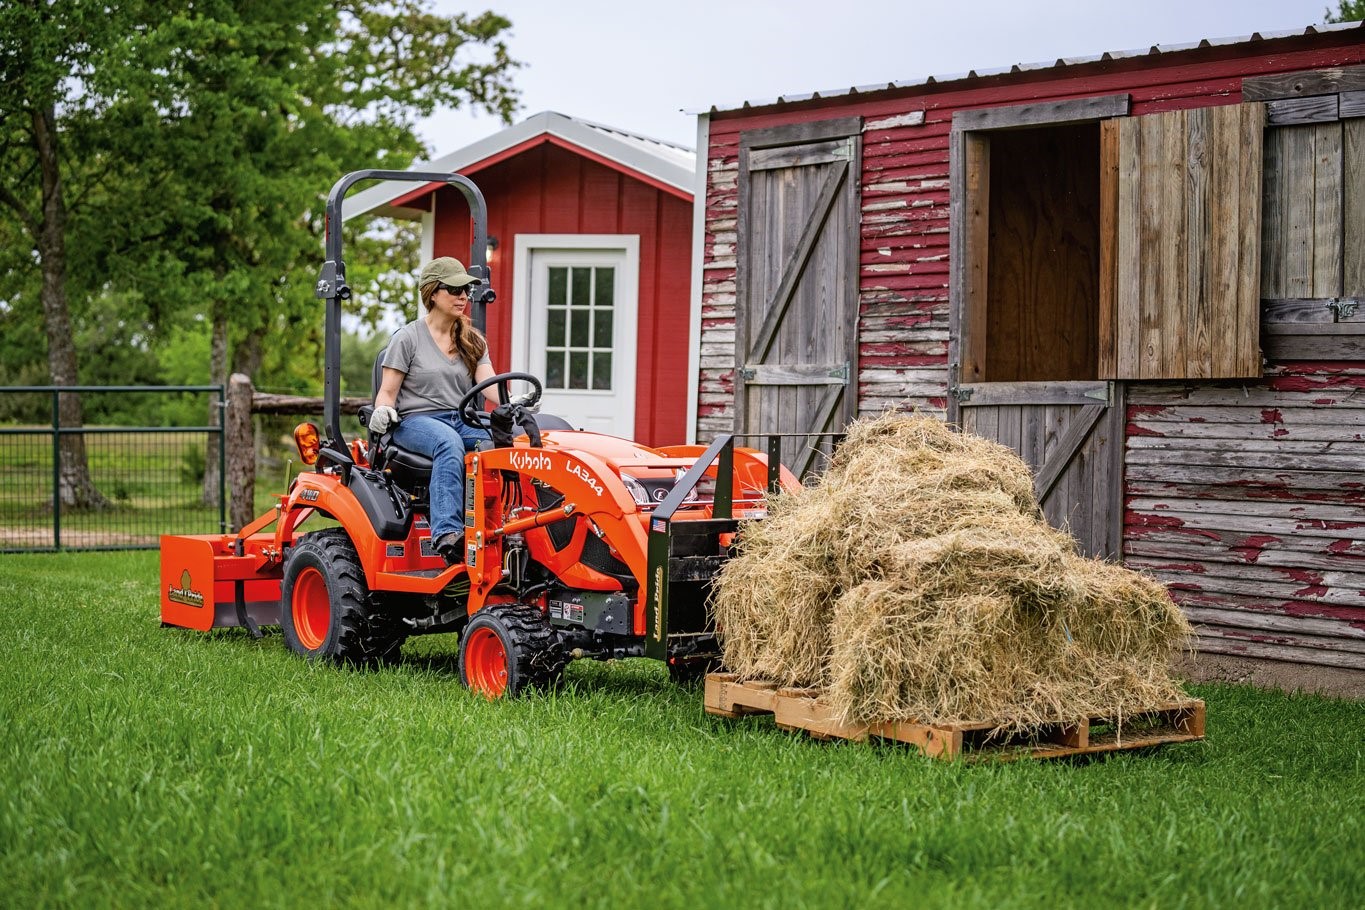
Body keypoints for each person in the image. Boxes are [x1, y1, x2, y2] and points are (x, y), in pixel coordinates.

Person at [368, 257, 499, 565]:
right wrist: (383, 412)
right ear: (432, 294)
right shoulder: (408, 338)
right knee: (447, 442)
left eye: (465, 289)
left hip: (460, 418)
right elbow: (387, 393)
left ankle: (499, 526)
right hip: (415, 421)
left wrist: (514, 400)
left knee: (499, 442)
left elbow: (489, 383)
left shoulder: (471, 339)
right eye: (454, 289)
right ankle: (448, 534)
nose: (463, 296)